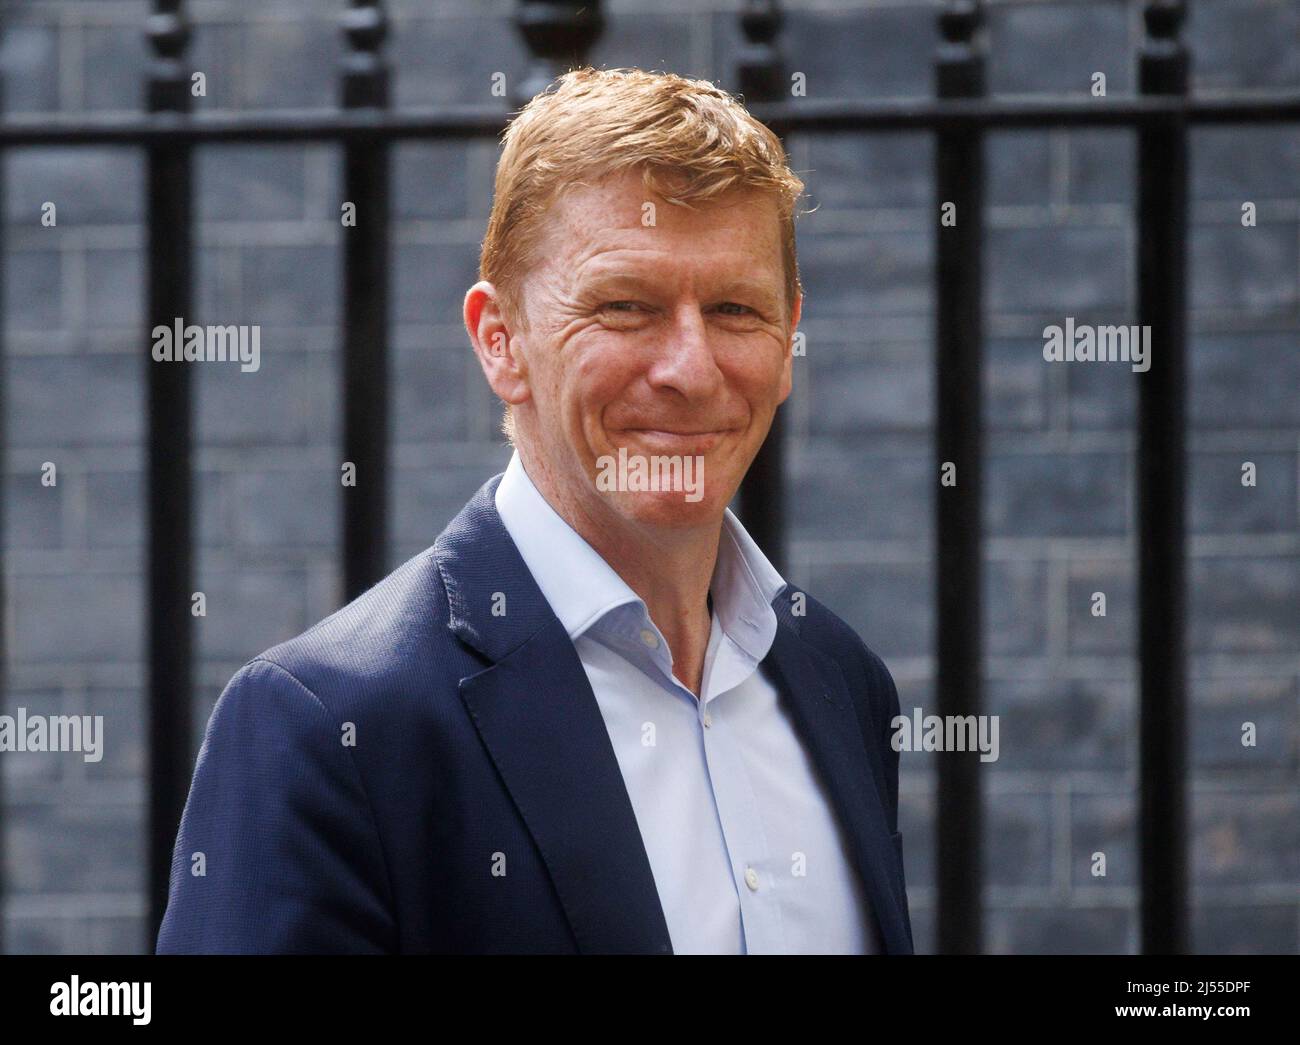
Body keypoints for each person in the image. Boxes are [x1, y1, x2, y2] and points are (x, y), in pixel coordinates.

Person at [156, 67, 913, 955]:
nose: (690, 367)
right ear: (499, 343)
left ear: (789, 341)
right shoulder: (330, 729)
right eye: (625, 306)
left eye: (735, 309)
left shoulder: (841, 682)